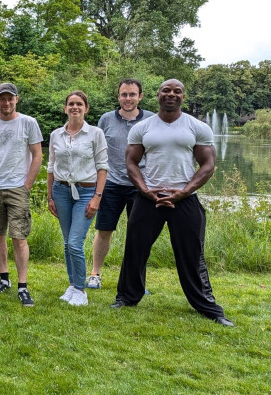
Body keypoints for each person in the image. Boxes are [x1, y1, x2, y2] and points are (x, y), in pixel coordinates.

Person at [111, 79, 234, 326]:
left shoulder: (197, 127)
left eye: (177, 91)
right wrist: (145, 190)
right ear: (157, 95)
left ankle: (207, 307)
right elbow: (131, 162)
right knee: (135, 248)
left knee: (192, 254)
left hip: (185, 200)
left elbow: (208, 165)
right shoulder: (143, 128)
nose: (171, 94)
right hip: (149, 198)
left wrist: (184, 191)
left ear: (183, 97)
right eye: (166, 90)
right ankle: (126, 297)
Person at [0, 83, 43, 307]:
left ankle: (23, 286)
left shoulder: (28, 123)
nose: (6, 102)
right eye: (2, 98)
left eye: (10, 98)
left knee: (19, 237)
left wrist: (27, 186)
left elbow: (37, 156)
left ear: (17, 99)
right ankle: (4, 278)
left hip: (17, 188)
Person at [87, 79, 155, 289]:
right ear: (118, 97)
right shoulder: (106, 119)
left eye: (132, 94)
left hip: (141, 185)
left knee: (139, 234)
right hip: (111, 183)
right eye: (124, 94)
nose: (128, 98)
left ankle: (136, 280)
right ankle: (95, 274)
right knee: (104, 230)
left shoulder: (152, 120)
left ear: (140, 97)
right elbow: (96, 151)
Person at [47, 91, 108, 307]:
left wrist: (97, 197)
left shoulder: (95, 133)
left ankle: (81, 290)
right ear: (65, 108)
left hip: (86, 192)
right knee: (66, 242)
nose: (75, 107)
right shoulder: (56, 135)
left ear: (86, 108)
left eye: (79, 104)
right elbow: (51, 166)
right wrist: (50, 196)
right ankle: (72, 285)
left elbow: (102, 166)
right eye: (71, 104)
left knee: (75, 242)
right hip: (61, 191)